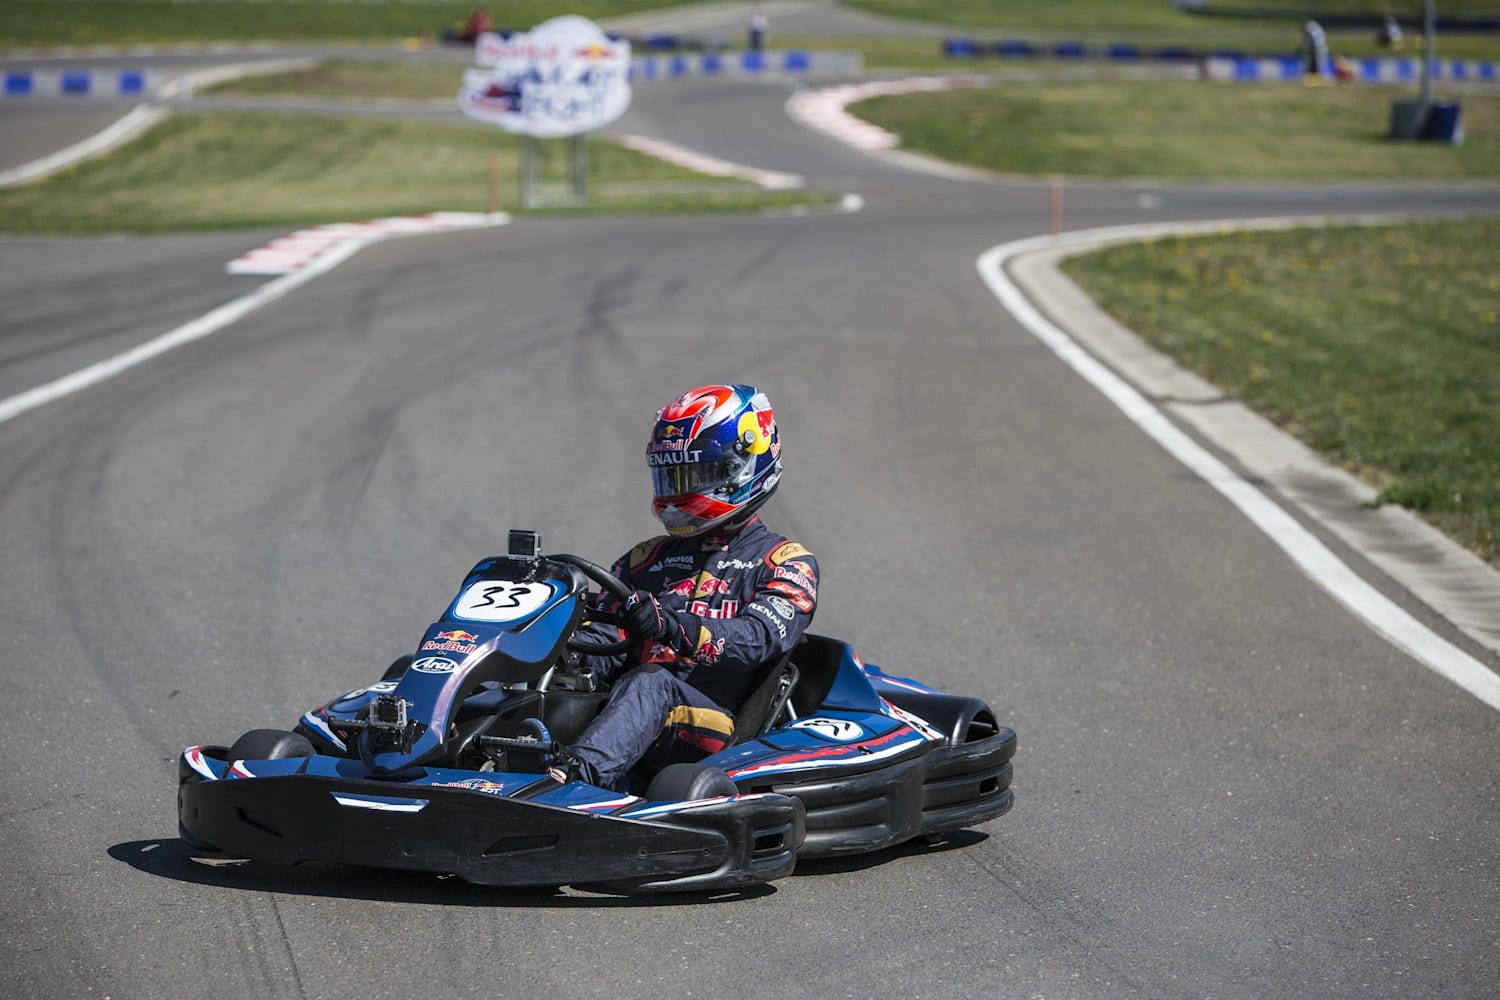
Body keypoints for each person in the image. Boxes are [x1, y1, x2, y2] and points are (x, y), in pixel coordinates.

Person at [550, 384, 819, 792]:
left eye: (696, 473)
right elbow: (607, 641)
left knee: (650, 683)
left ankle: (568, 786)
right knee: (547, 670)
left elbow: (758, 639)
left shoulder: (785, 562)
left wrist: (671, 625)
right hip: (630, 708)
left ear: (742, 468)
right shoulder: (644, 560)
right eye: (671, 474)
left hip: (715, 724)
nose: (679, 489)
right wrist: (559, 655)